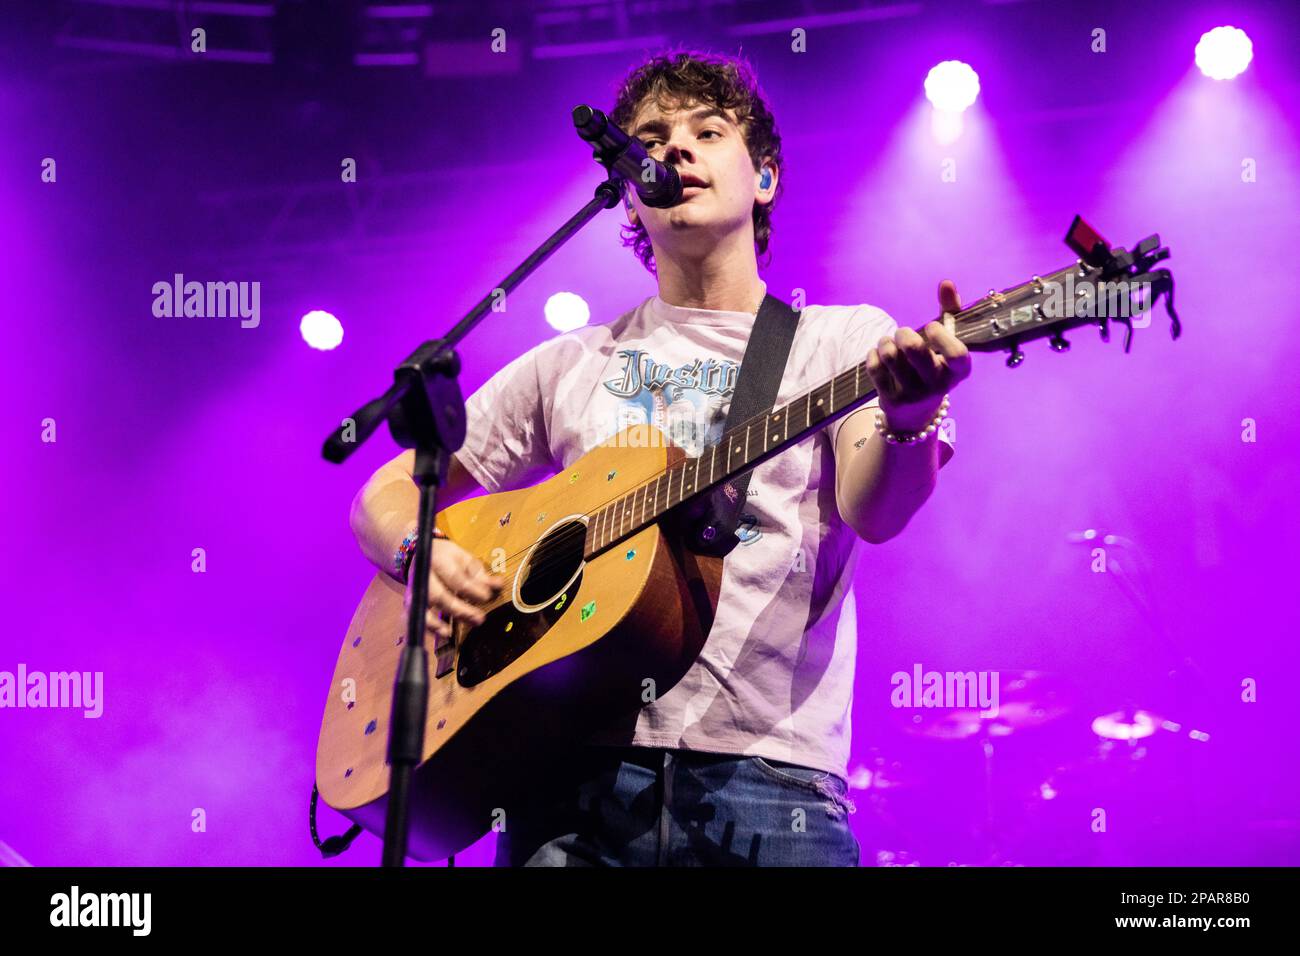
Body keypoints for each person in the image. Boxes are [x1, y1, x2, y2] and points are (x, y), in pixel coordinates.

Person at [348, 49, 970, 866]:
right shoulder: (571, 361)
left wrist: (913, 411)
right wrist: (419, 553)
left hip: (771, 788)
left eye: (707, 132)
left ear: (765, 179)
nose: (675, 148)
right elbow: (385, 492)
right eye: (651, 137)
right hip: (564, 783)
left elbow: (876, 513)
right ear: (631, 199)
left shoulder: (841, 341)